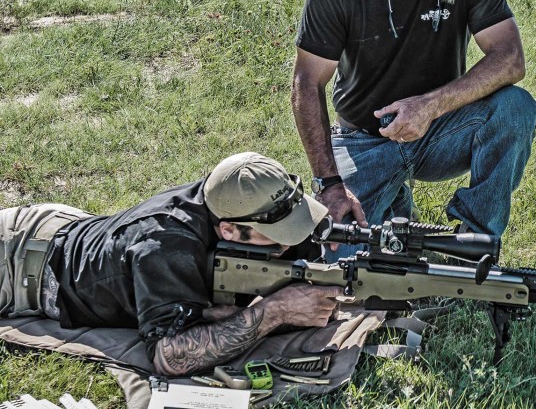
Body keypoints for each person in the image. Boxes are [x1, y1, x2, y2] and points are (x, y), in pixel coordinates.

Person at [292, 0, 536, 249]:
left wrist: (430, 106)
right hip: (363, 141)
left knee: (514, 108)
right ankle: (393, 206)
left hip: (441, 131)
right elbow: (306, 84)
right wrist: (329, 183)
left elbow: (510, 59)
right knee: (338, 259)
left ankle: (475, 245)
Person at [0, 152, 342, 377]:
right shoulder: (163, 246)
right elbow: (170, 357)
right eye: (276, 235)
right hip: (17, 266)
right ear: (228, 229)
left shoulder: (231, 194)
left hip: (61, 225)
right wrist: (275, 312)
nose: (289, 243)